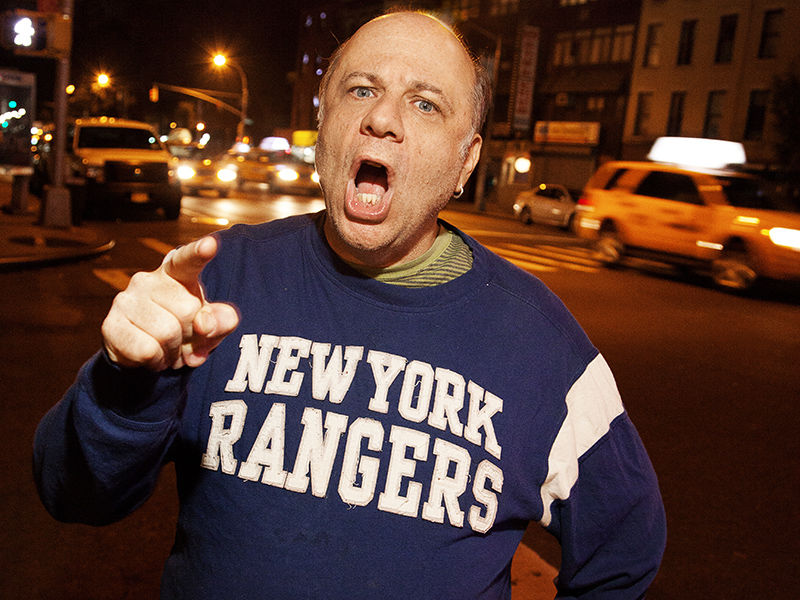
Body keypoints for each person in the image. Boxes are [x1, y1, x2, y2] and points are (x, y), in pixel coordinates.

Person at [34, 10, 666, 599]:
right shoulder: (217, 280)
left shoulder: (544, 345)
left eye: (424, 103)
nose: (383, 119)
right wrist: (126, 385)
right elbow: (71, 492)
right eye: (361, 91)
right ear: (324, 123)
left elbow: (625, 547)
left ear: (465, 161)